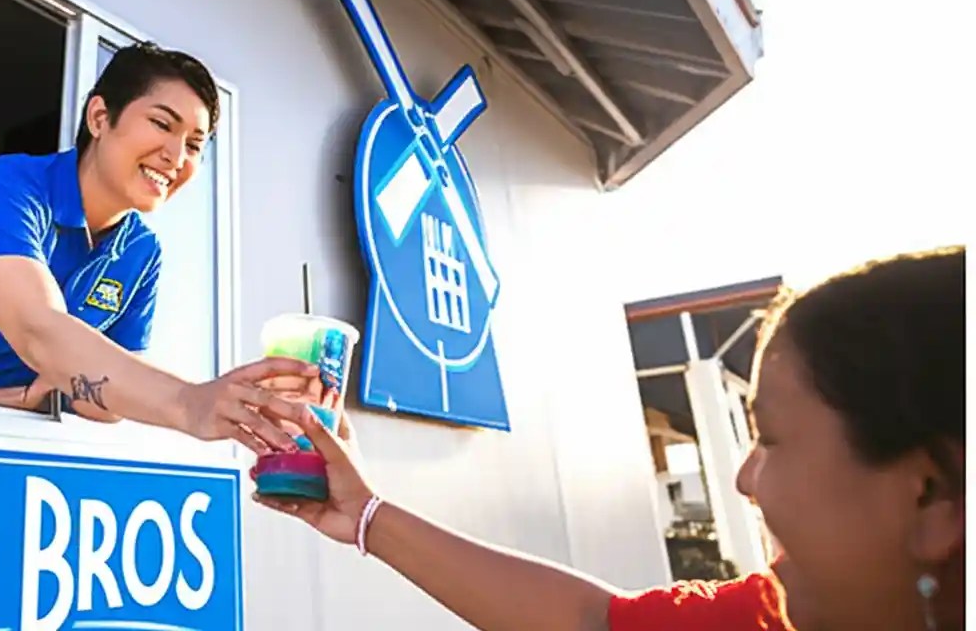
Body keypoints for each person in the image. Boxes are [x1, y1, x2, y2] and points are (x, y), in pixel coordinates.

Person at [256, 246, 965, 631]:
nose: (744, 480)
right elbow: (594, 621)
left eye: (772, 440)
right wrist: (369, 518)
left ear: (931, 495)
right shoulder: (772, 618)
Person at [0, 42, 314, 454]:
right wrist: (190, 404)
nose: (175, 156)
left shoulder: (141, 252)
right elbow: (38, 329)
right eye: (162, 124)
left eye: (196, 144)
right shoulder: (5, 189)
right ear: (99, 117)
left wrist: (30, 395)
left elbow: (108, 400)